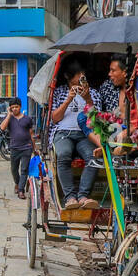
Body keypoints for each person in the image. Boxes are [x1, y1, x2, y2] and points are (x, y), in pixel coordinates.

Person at [48, 62, 100, 209]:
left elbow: (97, 120)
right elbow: (54, 118)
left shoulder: (93, 93)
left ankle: (83, 196)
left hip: (85, 135)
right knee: (63, 154)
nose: (82, 78)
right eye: (78, 75)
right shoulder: (59, 92)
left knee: (93, 157)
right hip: (63, 133)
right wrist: (68, 99)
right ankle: (70, 198)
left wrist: (88, 99)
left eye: (83, 75)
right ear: (67, 77)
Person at [0, 98, 36, 198]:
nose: (15, 109)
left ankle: (21, 190)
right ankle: (17, 182)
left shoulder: (27, 119)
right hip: (14, 148)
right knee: (14, 169)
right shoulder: (9, 118)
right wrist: (8, 115)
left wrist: (35, 148)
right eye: (12, 108)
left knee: (24, 169)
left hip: (26, 148)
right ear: (10, 108)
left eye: (16, 107)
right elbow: (2, 128)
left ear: (20, 107)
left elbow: (31, 134)